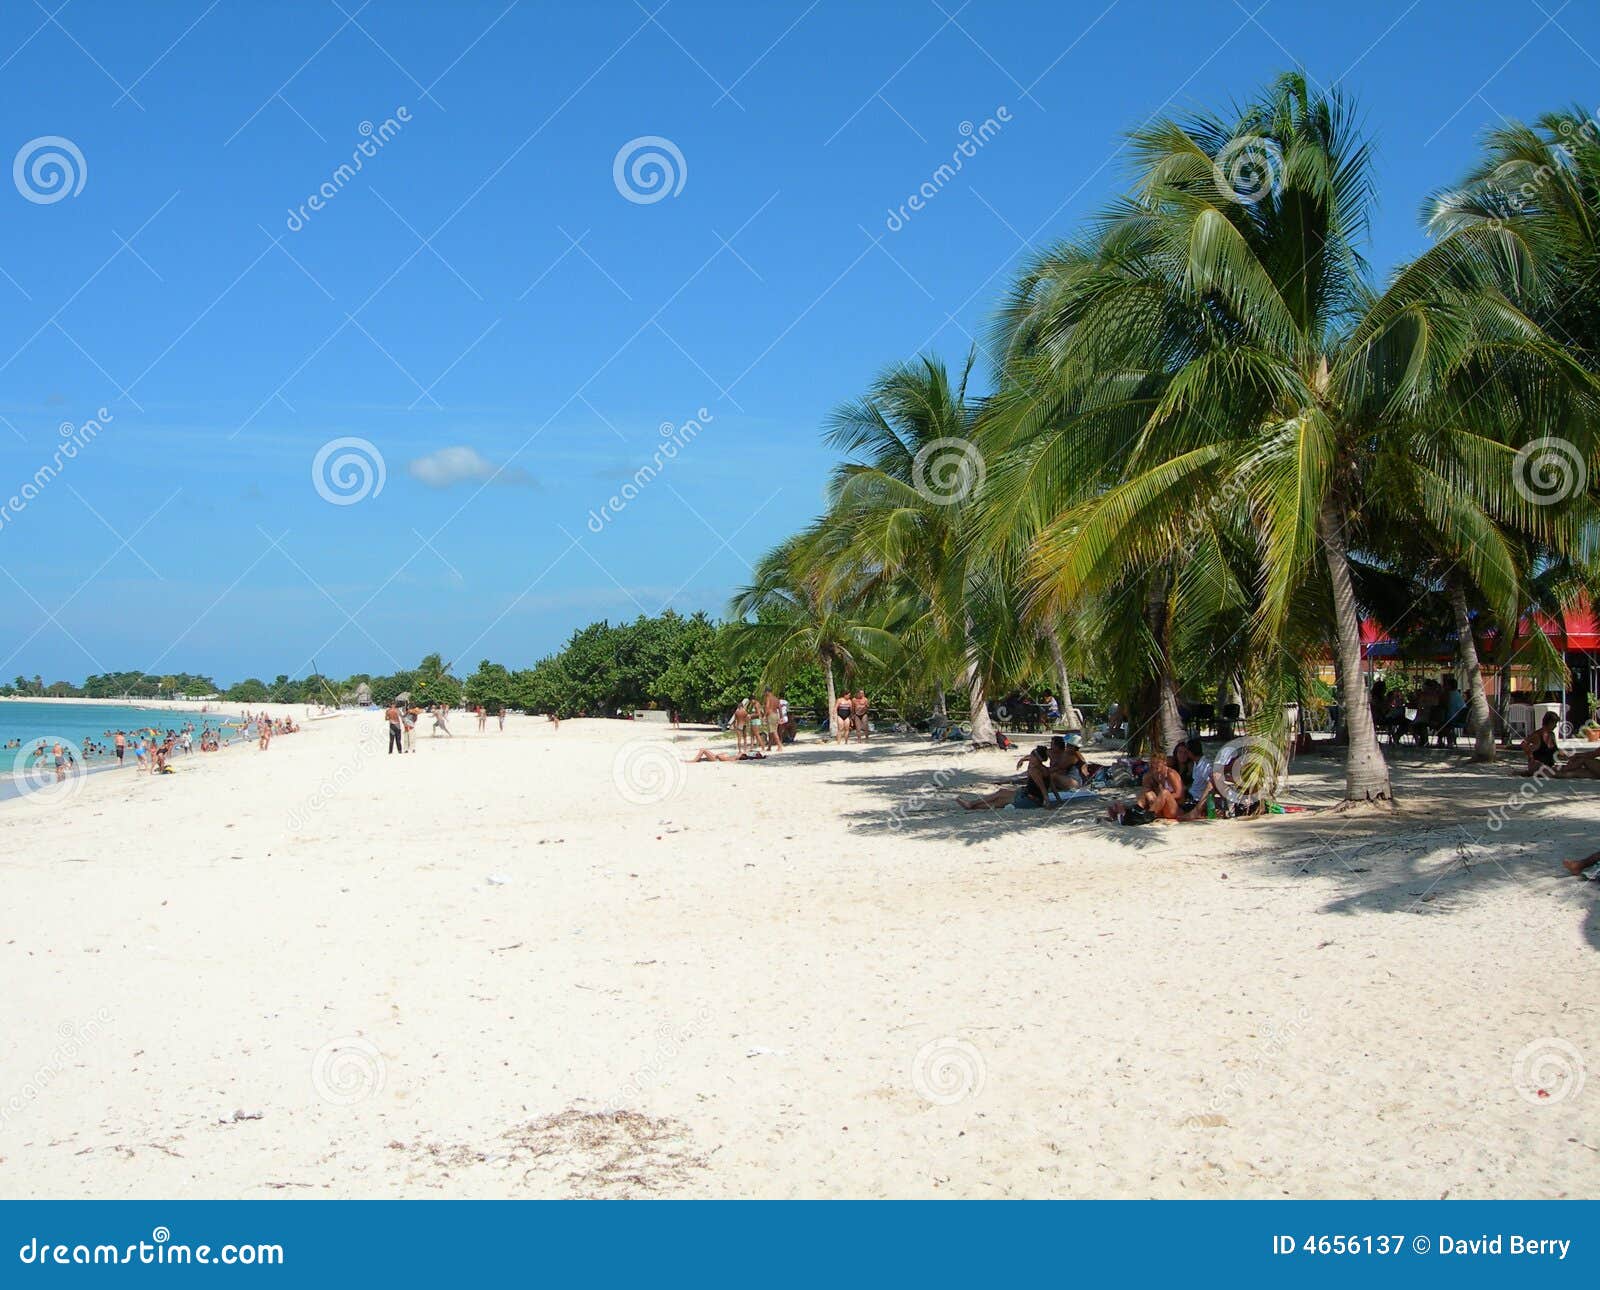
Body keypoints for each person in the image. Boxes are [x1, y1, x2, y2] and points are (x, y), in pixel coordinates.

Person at [1518, 711, 1560, 776]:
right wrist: (1530, 756)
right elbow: (1523, 744)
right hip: (1538, 766)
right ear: (1549, 723)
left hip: (1549, 766)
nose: (1556, 726)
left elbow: (1556, 751)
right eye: (1555, 723)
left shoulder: (1552, 735)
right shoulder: (1537, 735)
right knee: (1558, 773)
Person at [763, 688, 783, 753]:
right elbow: (780, 708)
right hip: (776, 715)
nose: (765, 694)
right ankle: (769, 747)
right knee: (771, 732)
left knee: (774, 732)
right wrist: (781, 717)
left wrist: (764, 716)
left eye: (765, 692)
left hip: (771, 715)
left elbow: (767, 707)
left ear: (768, 692)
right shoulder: (776, 699)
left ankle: (779, 746)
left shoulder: (768, 698)